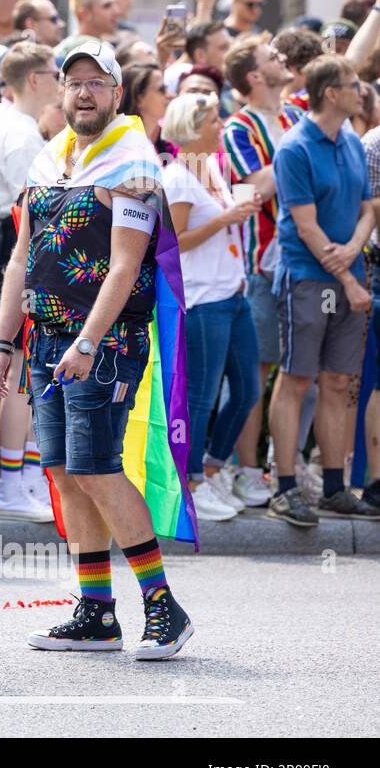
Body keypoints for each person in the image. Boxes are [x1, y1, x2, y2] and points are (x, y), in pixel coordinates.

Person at [0, 40, 194, 660]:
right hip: (44, 340)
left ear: (116, 93)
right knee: (64, 472)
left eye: (95, 82)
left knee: (97, 468)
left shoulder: (133, 161)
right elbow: (20, 257)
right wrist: (2, 342)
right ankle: (96, 612)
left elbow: (125, 268)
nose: (82, 92)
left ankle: (163, 607)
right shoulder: (51, 156)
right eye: (72, 81)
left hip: (100, 345)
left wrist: (87, 341)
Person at [267, 55, 379, 526]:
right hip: (306, 278)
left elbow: (370, 207)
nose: (363, 92)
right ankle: (285, 488)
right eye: (355, 85)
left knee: (338, 381)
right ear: (331, 93)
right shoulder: (294, 148)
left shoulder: (351, 140)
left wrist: (354, 248)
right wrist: (351, 277)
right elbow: (307, 228)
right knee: (296, 379)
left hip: (346, 275)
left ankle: (335, 487)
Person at [0, 43, 62, 521]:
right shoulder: (22, 131)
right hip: (17, 248)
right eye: (55, 73)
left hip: (6, 245)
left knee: (18, 373)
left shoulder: (1, 121)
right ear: (35, 80)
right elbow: (41, 207)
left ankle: (23, 478)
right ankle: (13, 482)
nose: (62, 83)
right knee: (20, 372)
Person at [160, 93, 261, 520]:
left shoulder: (212, 170)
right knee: (201, 397)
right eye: (213, 121)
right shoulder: (179, 176)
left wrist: (233, 213)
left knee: (247, 390)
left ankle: (213, 468)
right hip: (203, 298)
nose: (221, 126)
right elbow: (173, 244)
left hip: (232, 294)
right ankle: (193, 481)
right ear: (191, 127)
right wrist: (225, 219)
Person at [222, 35, 302, 508]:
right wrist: (295, 148)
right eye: (273, 57)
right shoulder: (239, 127)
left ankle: (285, 465)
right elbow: (256, 187)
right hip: (261, 268)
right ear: (254, 76)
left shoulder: (293, 117)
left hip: (304, 264)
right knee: (257, 371)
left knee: (301, 374)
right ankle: (246, 469)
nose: (283, 61)